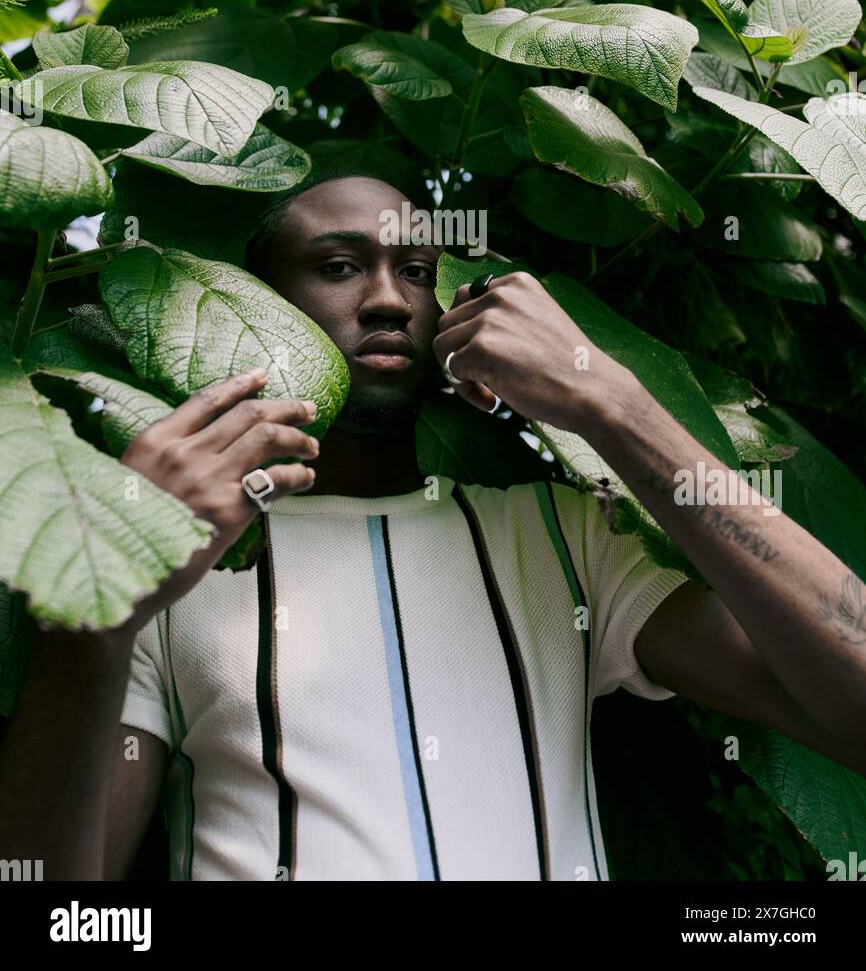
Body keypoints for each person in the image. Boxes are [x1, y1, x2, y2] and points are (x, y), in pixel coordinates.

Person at [1, 170, 865, 882]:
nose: (389, 298)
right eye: (339, 266)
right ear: (250, 304)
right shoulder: (176, 569)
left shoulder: (567, 539)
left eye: (417, 270)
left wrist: (610, 401)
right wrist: (109, 585)